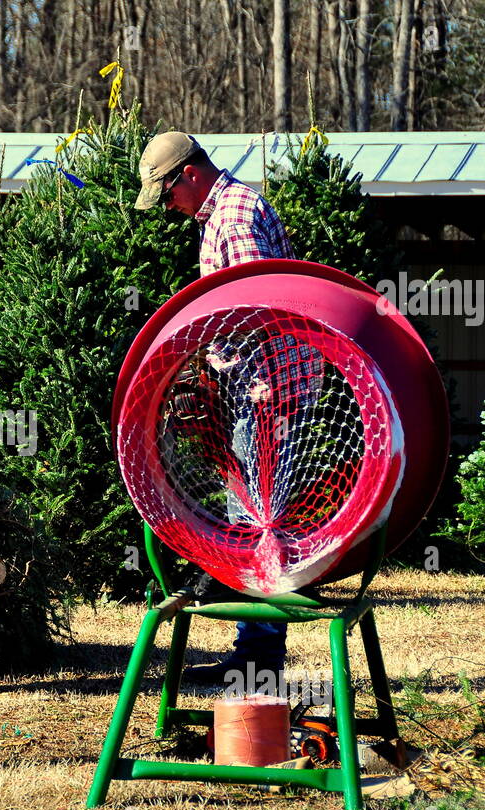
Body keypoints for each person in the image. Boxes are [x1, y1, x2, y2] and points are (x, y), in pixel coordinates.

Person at [135, 130, 296, 686]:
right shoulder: (218, 214)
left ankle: (260, 656)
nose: (169, 208)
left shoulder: (233, 216)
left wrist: (263, 382)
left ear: (189, 174)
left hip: (265, 387)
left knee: (258, 512)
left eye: (168, 194)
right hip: (247, 381)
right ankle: (256, 647)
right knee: (246, 506)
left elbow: (261, 306)